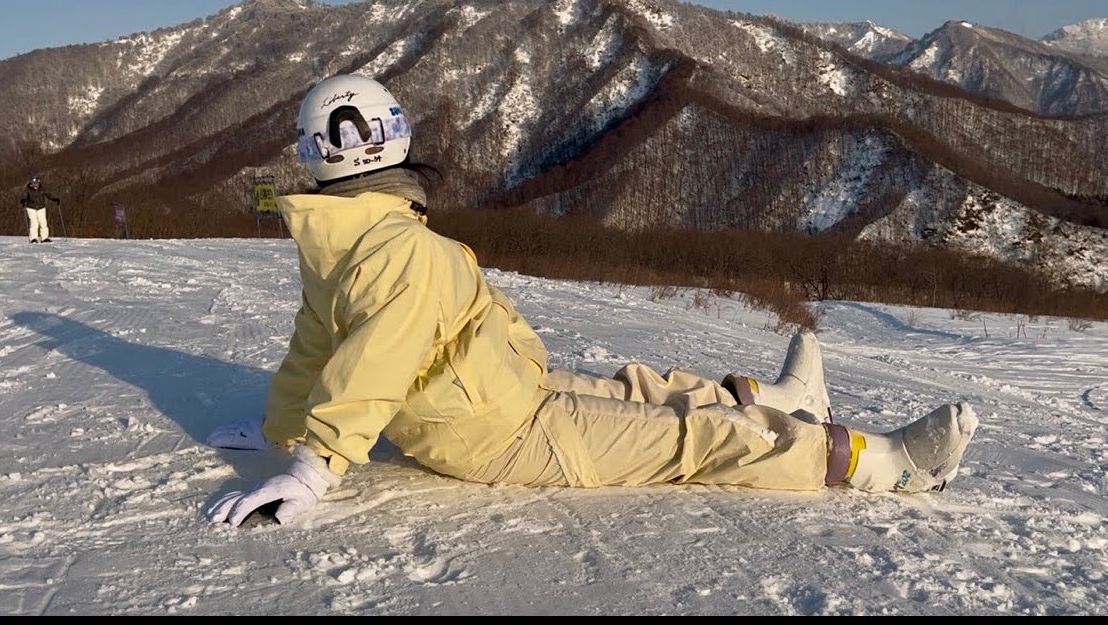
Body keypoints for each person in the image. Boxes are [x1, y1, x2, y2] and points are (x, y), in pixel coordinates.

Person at [205, 74, 979, 527]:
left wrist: (278, 424)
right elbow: (365, 366)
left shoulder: (339, 241)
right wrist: (313, 468)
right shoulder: (402, 249)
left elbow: (316, 341)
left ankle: (781, 400)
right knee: (691, 441)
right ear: (398, 139)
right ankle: (883, 466)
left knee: (639, 388)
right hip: (499, 435)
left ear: (314, 156)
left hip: (505, 394)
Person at [19, 175, 61, 243]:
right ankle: (33, 238)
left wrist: (54, 199)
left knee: (43, 222)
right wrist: (23, 200)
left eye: (36, 183)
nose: (35, 185)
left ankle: (44, 238)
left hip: (41, 207)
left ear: (39, 182)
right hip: (31, 208)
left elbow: (48, 194)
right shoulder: (28, 189)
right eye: (33, 183)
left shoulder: (42, 188)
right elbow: (24, 195)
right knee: (34, 223)